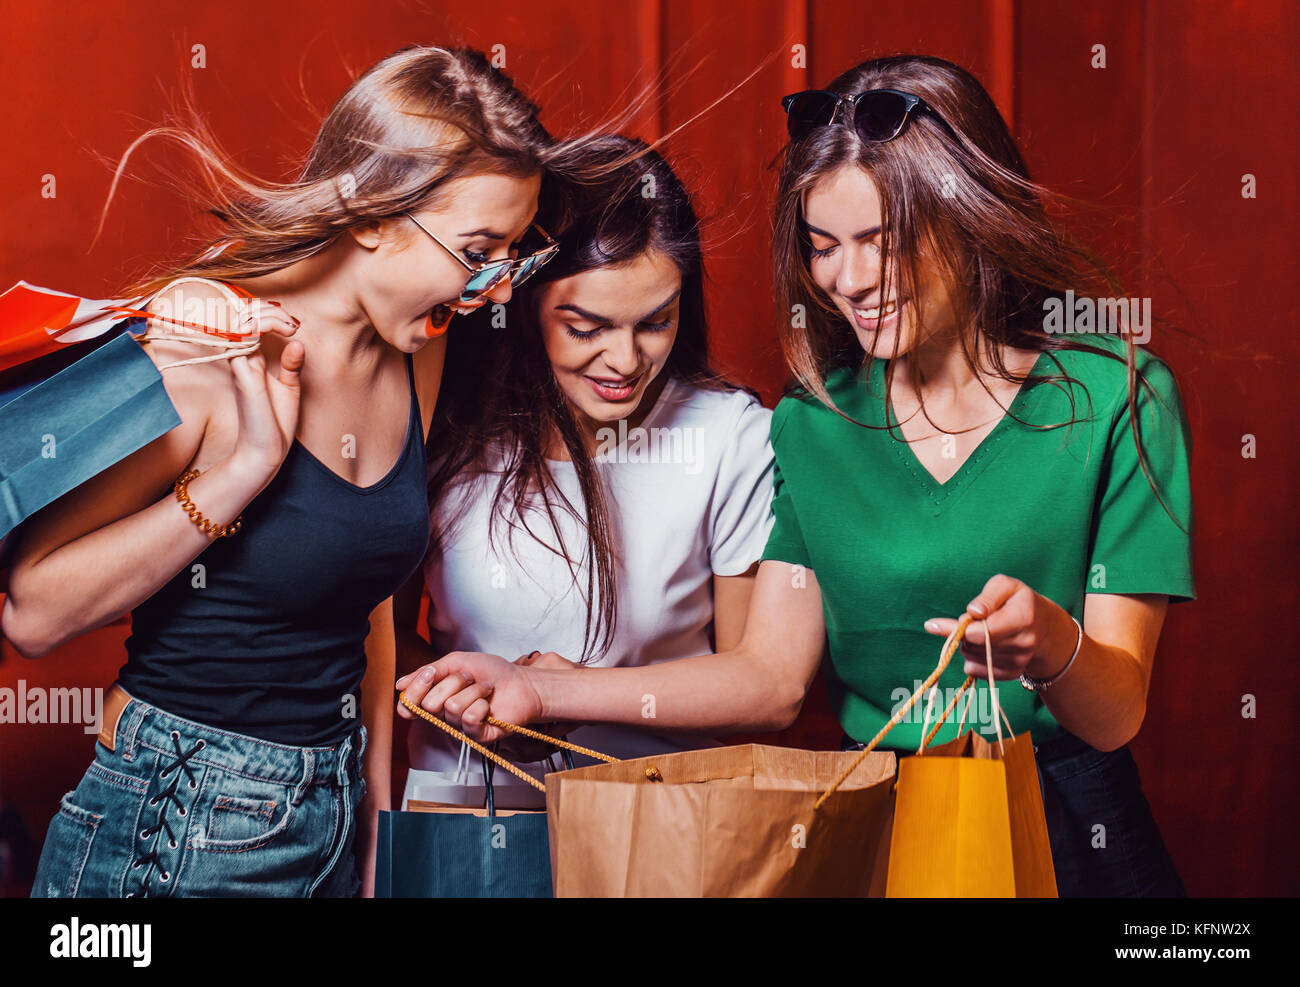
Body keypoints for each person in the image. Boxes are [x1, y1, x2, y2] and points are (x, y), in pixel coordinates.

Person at [400, 55, 1195, 898]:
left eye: (880, 243)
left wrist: (1053, 645)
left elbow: (1116, 714)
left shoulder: (1118, 396)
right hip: (883, 812)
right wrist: (535, 684)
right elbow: (771, 669)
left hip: (1071, 817)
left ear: (968, 216)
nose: (847, 280)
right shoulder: (814, 419)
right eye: (823, 247)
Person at [6, 44, 558, 897]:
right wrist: (241, 473)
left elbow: (364, 598)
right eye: (477, 250)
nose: (495, 290)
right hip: (176, 822)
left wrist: (373, 815)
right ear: (374, 211)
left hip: (329, 813)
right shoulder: (206, 350)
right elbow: (34, 613)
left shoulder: (416, 343)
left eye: (512, 254)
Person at [394, 136, 774, 809]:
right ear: (527, 303)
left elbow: (755, 689)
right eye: (586, 326)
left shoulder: (729, 435)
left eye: (655, 321)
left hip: (661, 825)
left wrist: (554, 693)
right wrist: (470, 700)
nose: (624, 359)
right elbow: (373, 638)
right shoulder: (442, 422)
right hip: (464, 816)